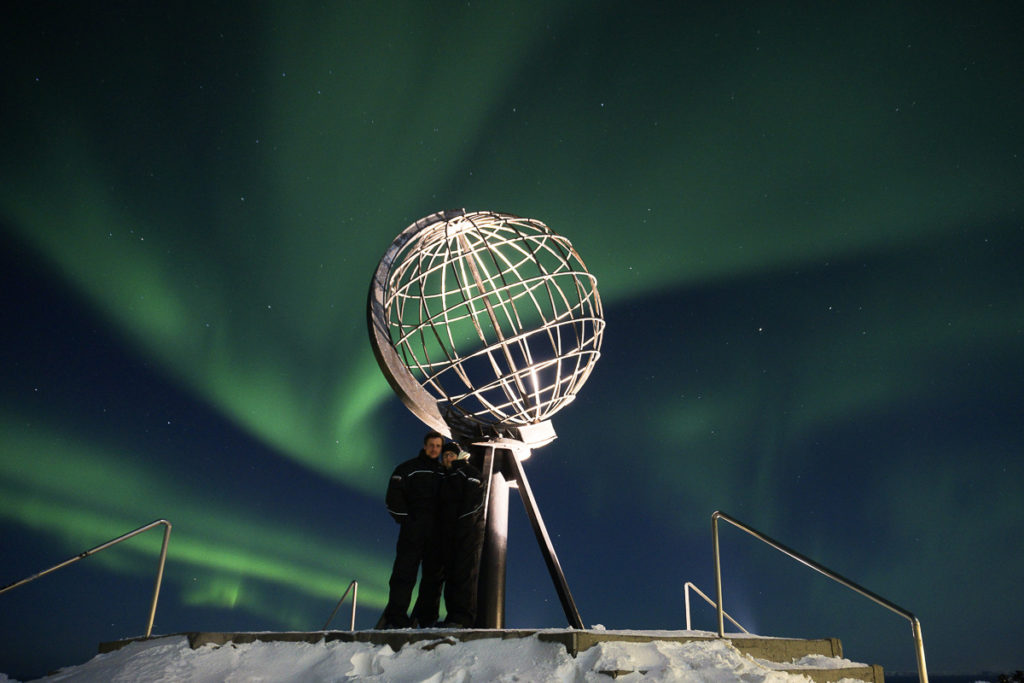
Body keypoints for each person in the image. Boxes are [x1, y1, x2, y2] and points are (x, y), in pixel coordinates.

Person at [376, 431, 446, 629]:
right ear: (425, 446)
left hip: (436, 532)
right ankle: (396, 616)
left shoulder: (444, 472)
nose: (434, 449)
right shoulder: (407, 468)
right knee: (404, 573)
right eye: (431, 445)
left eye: (438, 446)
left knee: (433, 576)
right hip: (413, 529)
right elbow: (393, 496)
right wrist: (407, 519)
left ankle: (427, 618)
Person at [435, 441, 485, 628]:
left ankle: (462, 618)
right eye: (445, 456)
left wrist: (463, 526)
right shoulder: (444, 478)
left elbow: (473, 502)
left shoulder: (469, 473)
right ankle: (453, 617)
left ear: (459, 456)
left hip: (466, 532)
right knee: (451, 576)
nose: (447, 458)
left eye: (451, 455)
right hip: (448, 534)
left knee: (463, 575)